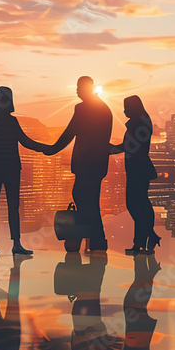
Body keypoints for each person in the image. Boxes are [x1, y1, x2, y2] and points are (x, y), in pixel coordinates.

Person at [46, 77, 113, 252]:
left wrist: (53, 149)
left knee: (85, 200)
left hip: (88, 164)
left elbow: (71, 131)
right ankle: (95, 240)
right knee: (89, 202)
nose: (76, 90)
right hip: (96, 165)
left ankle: (93, 240)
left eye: (79, 87)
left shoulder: (85, 108)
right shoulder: (103, 108)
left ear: (89, 88)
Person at [0, 87, 48, 255]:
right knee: (13, 205)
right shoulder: (12, 122)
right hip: (10, 167)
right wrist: (46, 148)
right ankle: (16, 243)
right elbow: (25, 141)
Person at [109, 95, 160, 254]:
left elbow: (128, 146)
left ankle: (141, 242)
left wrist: (109, 149)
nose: (124, 111)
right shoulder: (141, 122)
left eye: (126, 107)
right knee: (139, 204)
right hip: (137, 168)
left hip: (138, 169)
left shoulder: (138, 124)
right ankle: (145, 238)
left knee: (136, 204)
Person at [122, 253, 159, 350]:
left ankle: (146, 263)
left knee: (137, 294)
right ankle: (141, 259)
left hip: (138, 332)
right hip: (136, 331)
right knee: (135, 296)